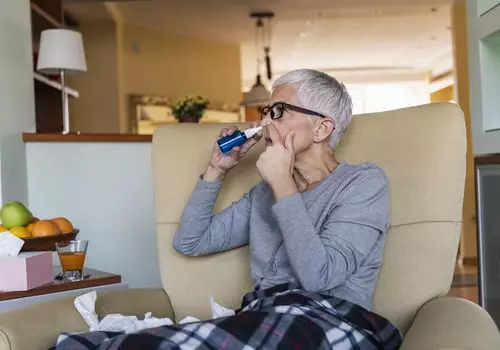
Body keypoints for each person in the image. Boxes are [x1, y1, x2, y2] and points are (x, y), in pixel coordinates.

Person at [173, 69, 389, 311]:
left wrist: (282, 185)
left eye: (279, 112)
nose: (265, 123)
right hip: (264, 315)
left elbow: (320, 277)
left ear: (321, 129)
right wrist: (216, 169)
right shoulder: (265, 193)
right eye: (266, 112)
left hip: (329, 319)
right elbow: (190, 242)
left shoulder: (362, 183)